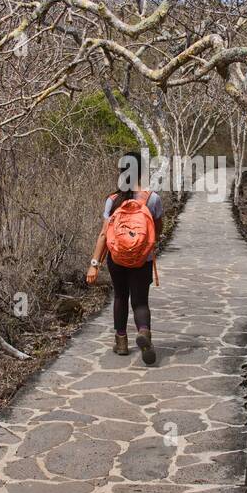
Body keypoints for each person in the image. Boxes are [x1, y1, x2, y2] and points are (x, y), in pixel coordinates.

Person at [86, 151, 163, 363]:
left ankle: (121, 342)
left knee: (120, 297)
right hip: (142, 259)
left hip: (116, 259)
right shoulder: (153, 199)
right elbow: (157, 231)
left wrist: (94, 264)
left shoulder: (113, 200)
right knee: (140, 302)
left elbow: (104, 234)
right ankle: (144, 332)